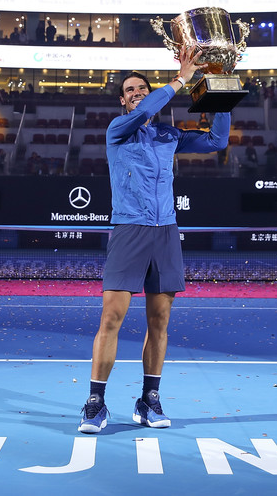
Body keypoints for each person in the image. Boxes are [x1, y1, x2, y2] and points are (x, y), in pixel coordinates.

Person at [79, 45, 229, 434]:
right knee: (111, 317)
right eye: (130, 90)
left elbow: (216, 141)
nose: (136, 93)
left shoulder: (168, 135)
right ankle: (95, 403)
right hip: (130, 229)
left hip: (166, 232)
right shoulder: (118, 130)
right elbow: (147, 111)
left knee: (159, 321)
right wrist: (180, 78)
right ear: (123, 100)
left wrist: (221, 91)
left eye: (141, 88)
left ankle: (150, 400)